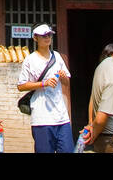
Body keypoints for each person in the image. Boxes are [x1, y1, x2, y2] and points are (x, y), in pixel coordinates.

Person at [16, 24, 73, 153]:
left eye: (49, 35)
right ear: (35, 38)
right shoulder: (30, 60)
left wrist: (63, 77)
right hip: (41, 118)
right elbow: (21, 85)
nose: (47, 38)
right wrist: (43, 84)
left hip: (61, 117)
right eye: (43, 36)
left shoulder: (57, 56)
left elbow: (66, 82)